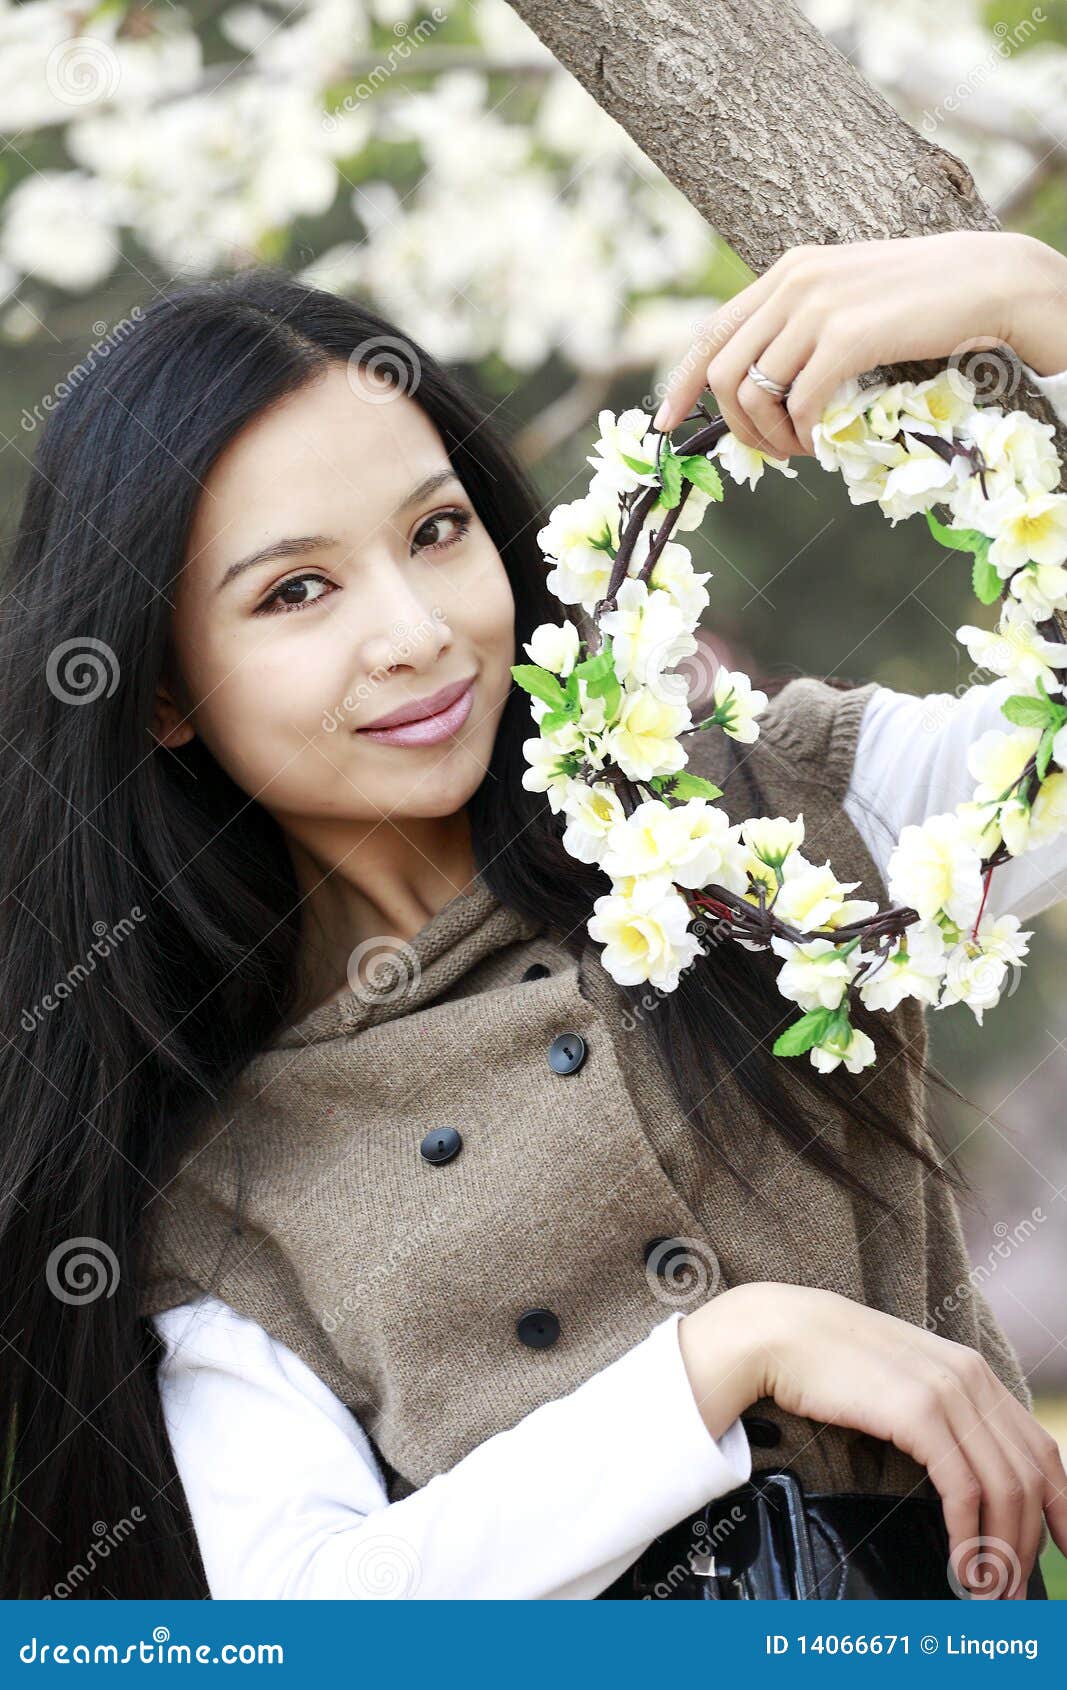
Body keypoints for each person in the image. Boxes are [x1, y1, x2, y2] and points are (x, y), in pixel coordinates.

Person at [0, 232, 1065, 1602]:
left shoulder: (757, 807)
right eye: (296, 590)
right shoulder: (219, 1186)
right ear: (162, 693)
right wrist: (724, 1357)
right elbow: (311, 1619)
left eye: (435, 532)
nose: (417, 632)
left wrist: (1040, 307)